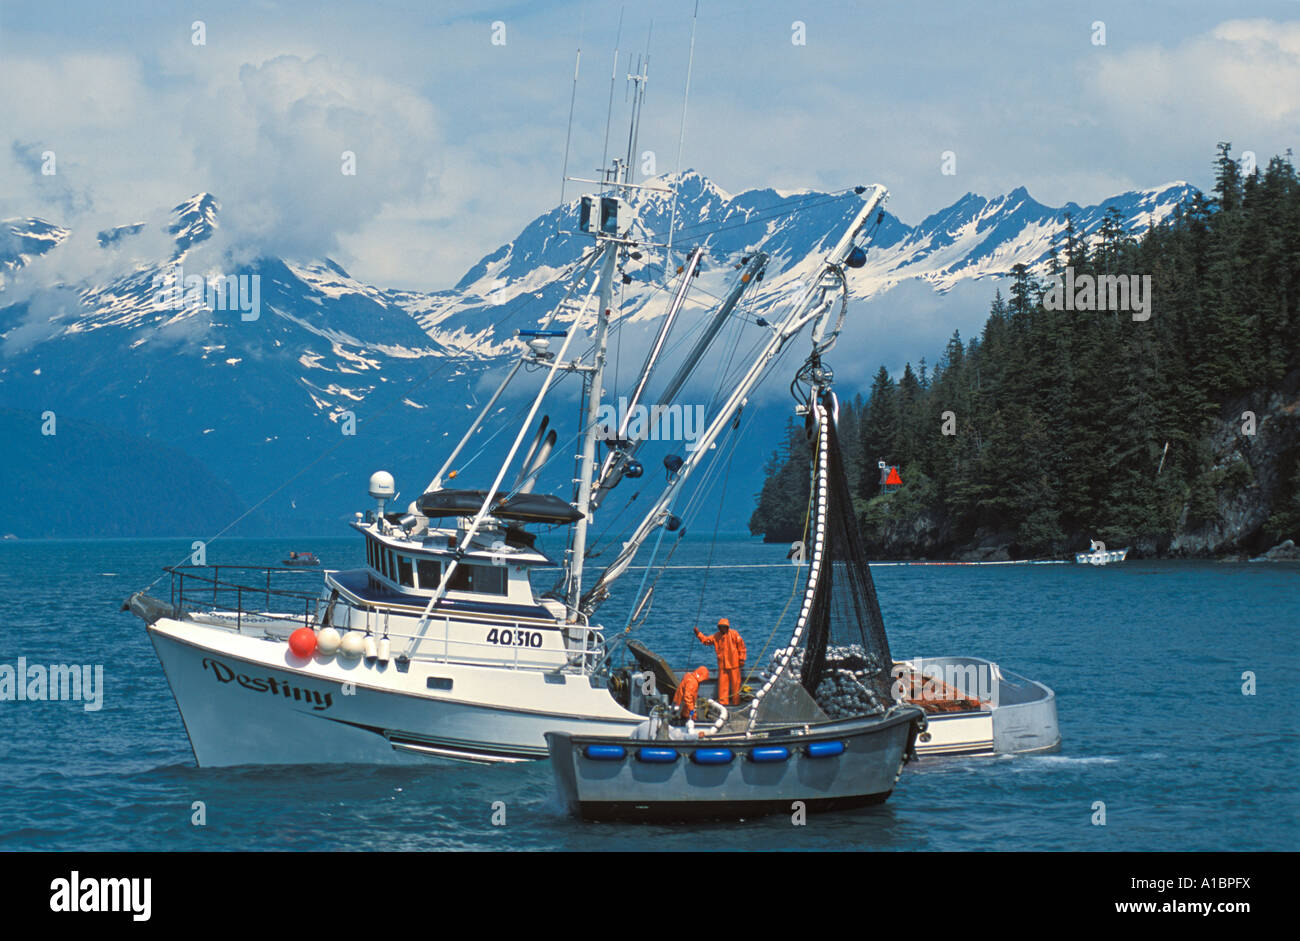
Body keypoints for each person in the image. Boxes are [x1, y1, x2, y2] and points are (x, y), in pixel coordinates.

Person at [694, 617, 746, 706]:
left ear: (727, 627)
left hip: (734, 664)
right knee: (723, 686)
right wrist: (698, 634)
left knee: (736, 686)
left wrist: (741, 659)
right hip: (722, 665)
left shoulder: (734, 634)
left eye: (724, 627)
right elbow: (706, 641)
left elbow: (742, 647)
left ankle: (736, 702)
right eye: (721, 627)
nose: (723, 628)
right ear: (719, 627)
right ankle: (723, 703)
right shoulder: (716, 636)